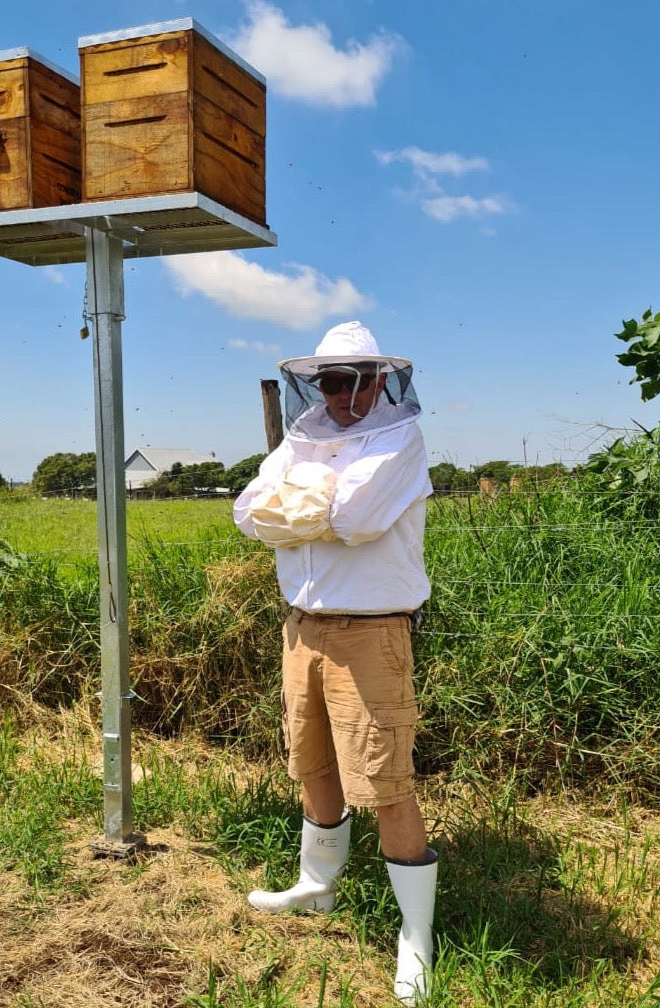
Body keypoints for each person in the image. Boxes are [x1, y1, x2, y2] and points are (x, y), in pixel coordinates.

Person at [233, 320, 437, 1005]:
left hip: (372, 630)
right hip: (302, 626)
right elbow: (248, 512)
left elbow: (355, 520)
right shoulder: (302, 434)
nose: (342, 395)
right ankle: (316, 887)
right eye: (329, 382)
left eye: (354, 381)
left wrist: (298, 503)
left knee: (384, 780)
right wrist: (313, 498)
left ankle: (415, 935)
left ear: (380, 380)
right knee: (311, 762)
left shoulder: (399, 437)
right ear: (314, 384)